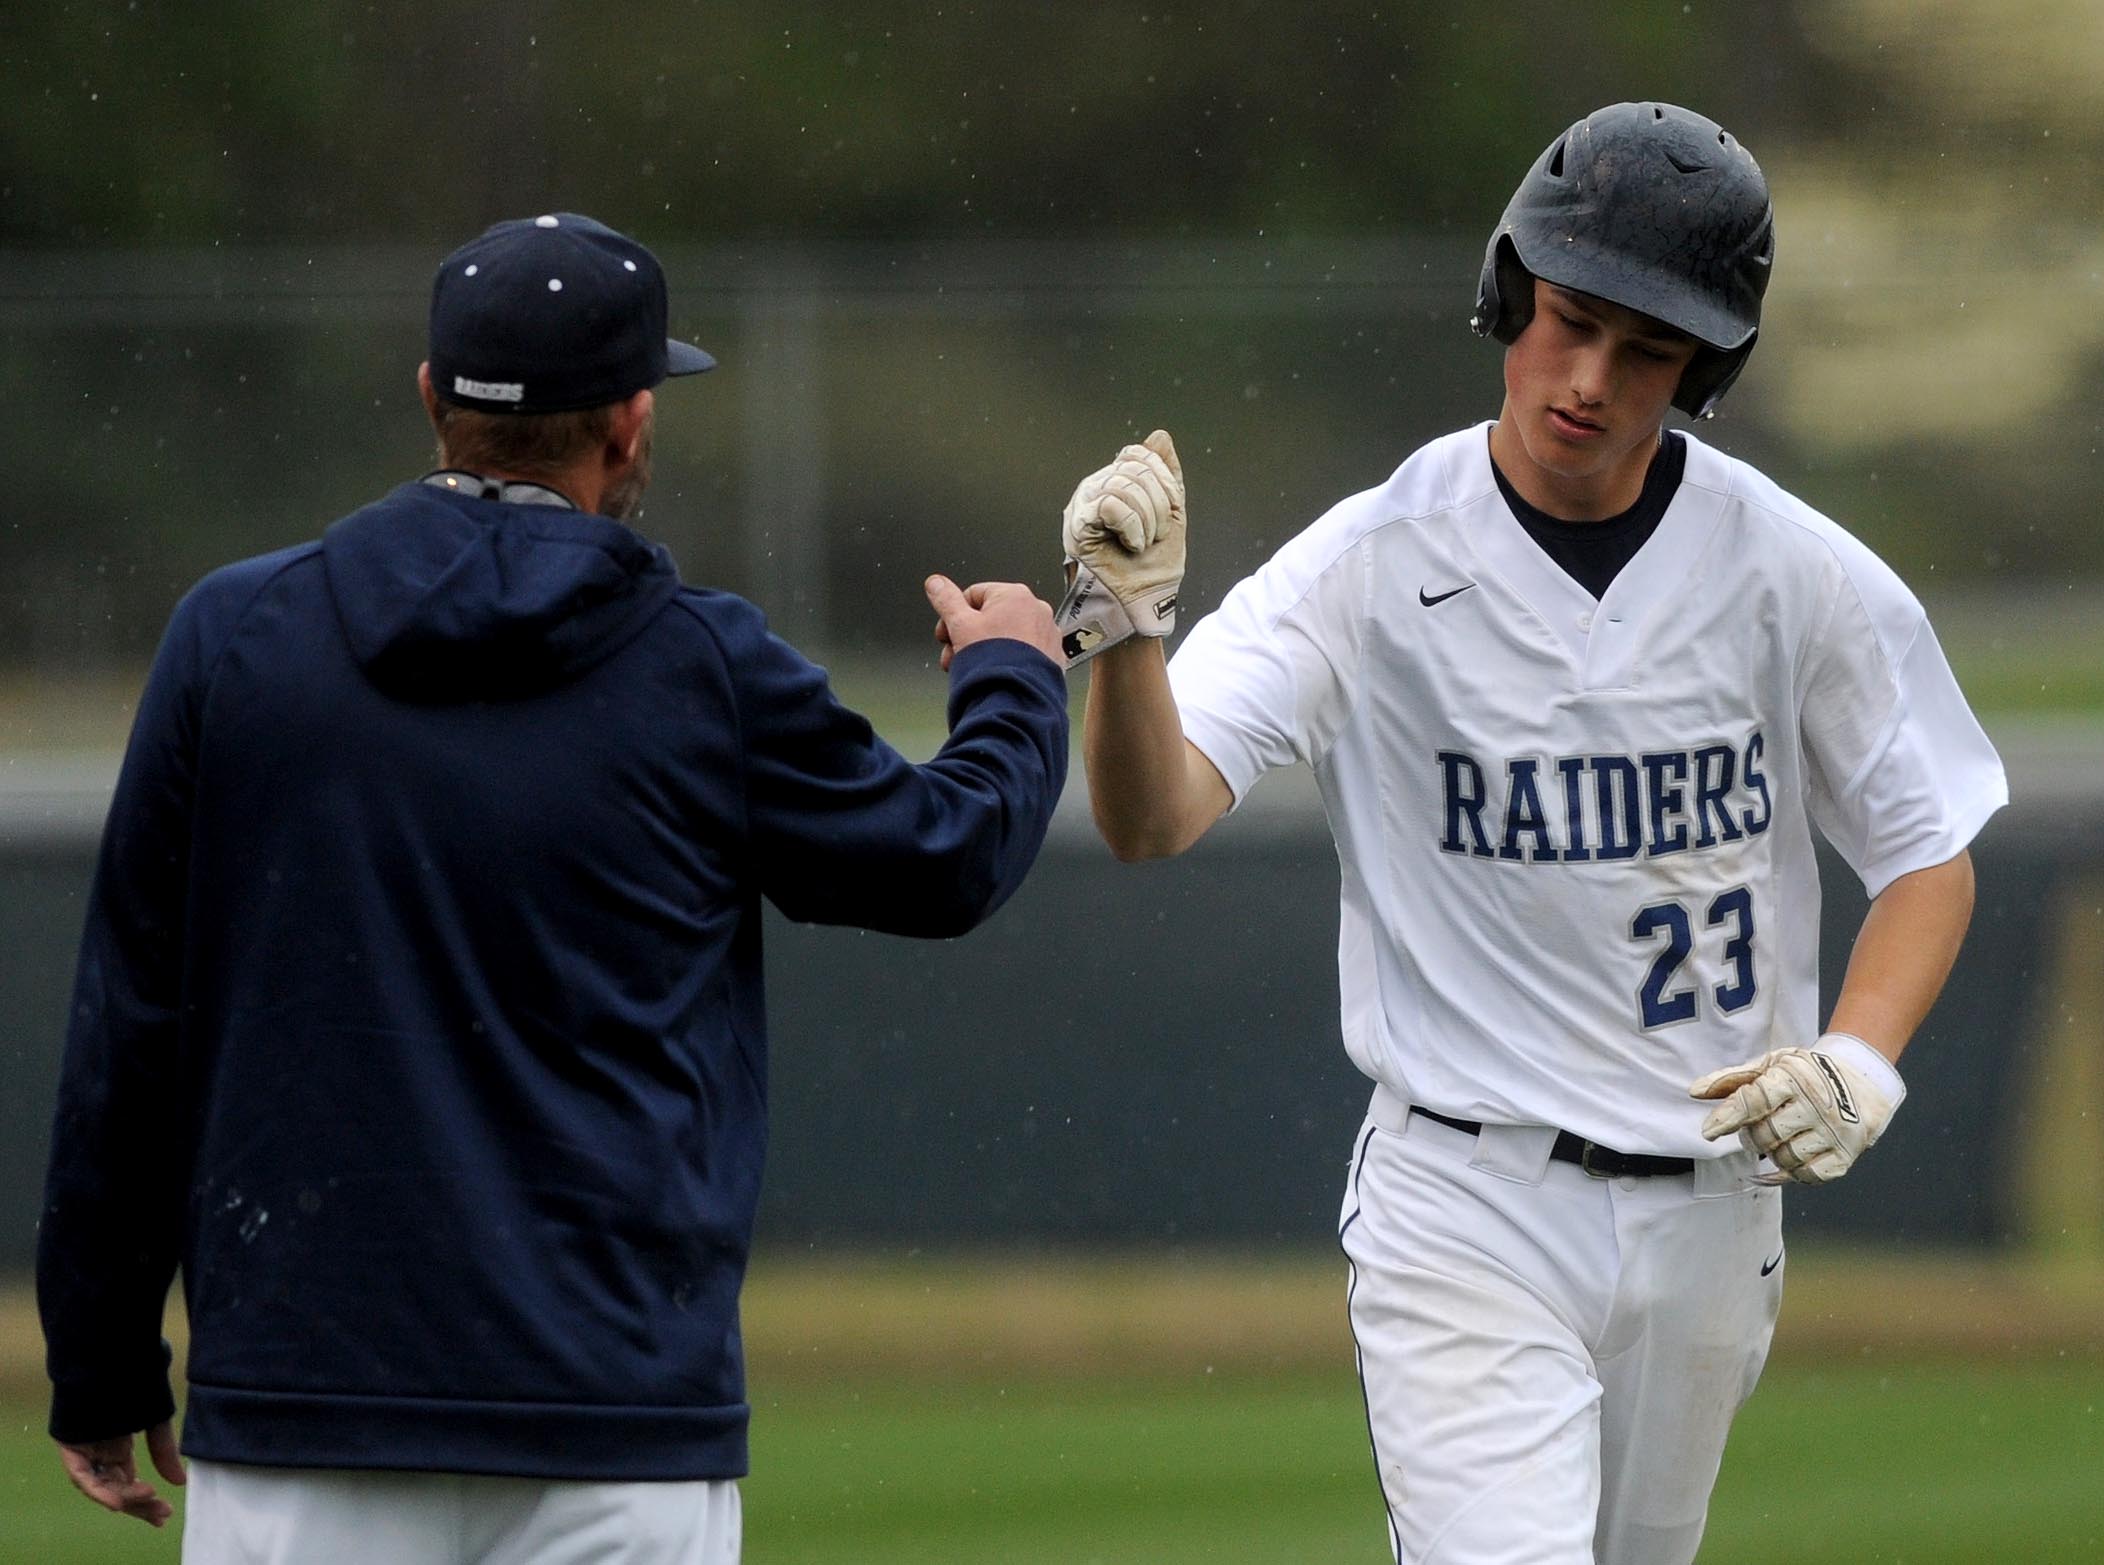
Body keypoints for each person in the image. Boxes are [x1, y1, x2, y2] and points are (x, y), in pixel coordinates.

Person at [37, 212, 1069, 1564]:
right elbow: (949, 854)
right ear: (632, 422)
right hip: (611, 1423)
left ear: (430, 398)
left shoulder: (235, 638)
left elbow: (134, 1025)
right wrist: (1016, 675)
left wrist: (103, 1353)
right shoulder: (701, 666)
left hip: (309, 1415)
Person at [1056, 104, 2006, 1564]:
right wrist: (1122, 632)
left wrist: (1863, 1054)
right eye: (1567, 322)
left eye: (1647, 351)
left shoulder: (1790, 569)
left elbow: (1928, 850)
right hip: (1467, 1198)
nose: (1588, 379)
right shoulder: (1374, 559)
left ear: (1705, 370)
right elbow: (1149, 812)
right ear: (1509, 293)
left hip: (1713, 1205)